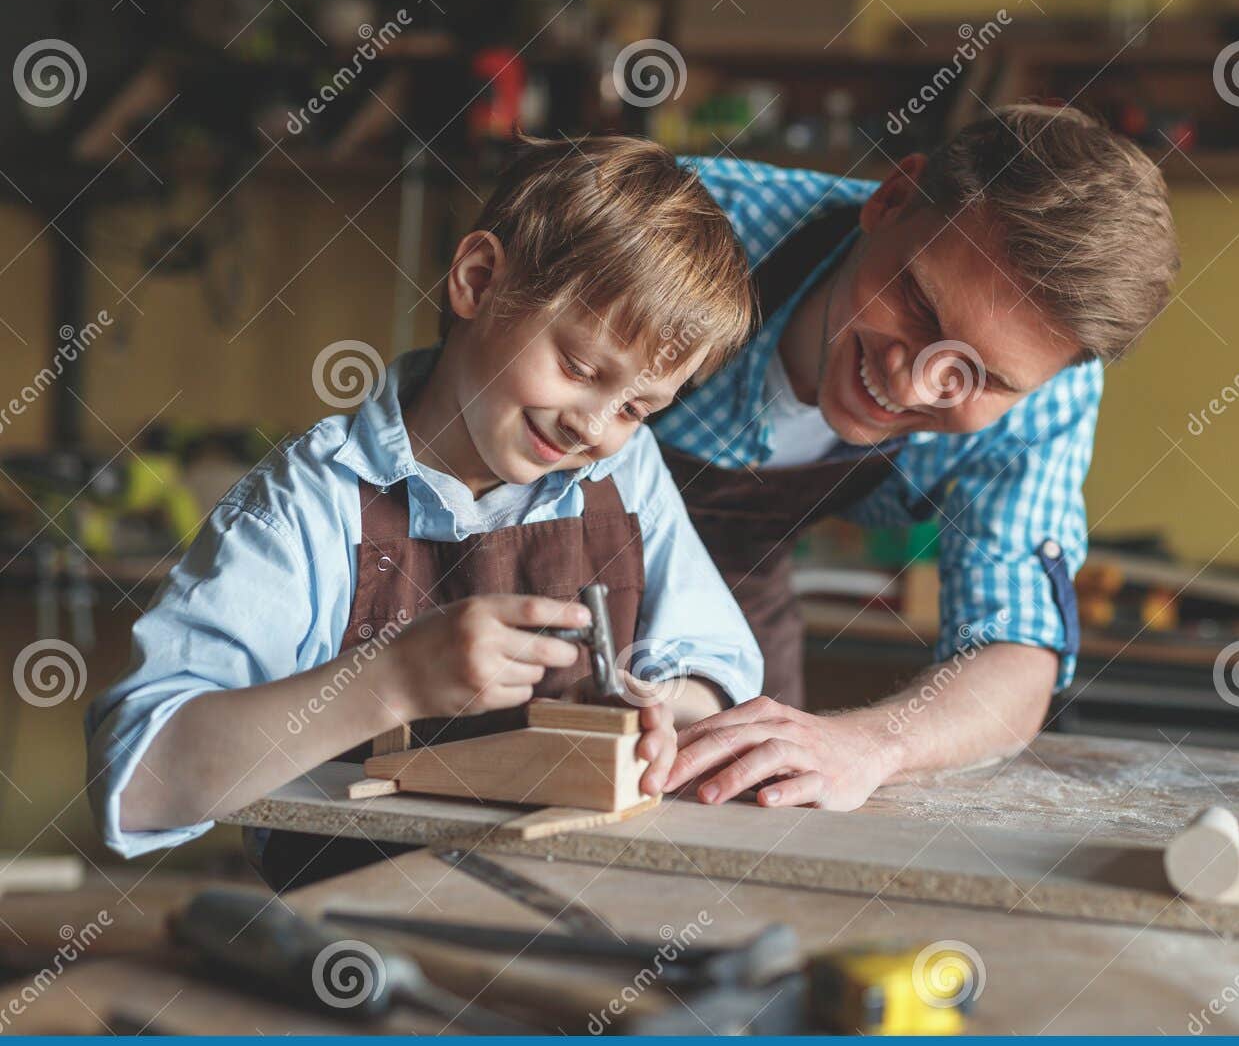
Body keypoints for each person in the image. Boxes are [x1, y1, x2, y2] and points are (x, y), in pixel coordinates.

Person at [86, 136, 763, 886]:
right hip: (350, 931)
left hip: (578, 904)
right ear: (478, 281)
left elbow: (717, 669)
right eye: (577, 366)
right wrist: (393, 680)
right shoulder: (308, 505)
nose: (592, 426)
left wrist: (651, 705)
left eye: (635, 407)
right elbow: (138, 780)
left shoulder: (624, 473)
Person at [655, 103, 1180, 810]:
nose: (910, 384)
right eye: (921, 307)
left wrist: (870, 746)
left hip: (731, 597)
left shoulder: (1048, 391)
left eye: (981, 377)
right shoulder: (673, 224)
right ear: (892, 199)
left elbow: (1015, 649)